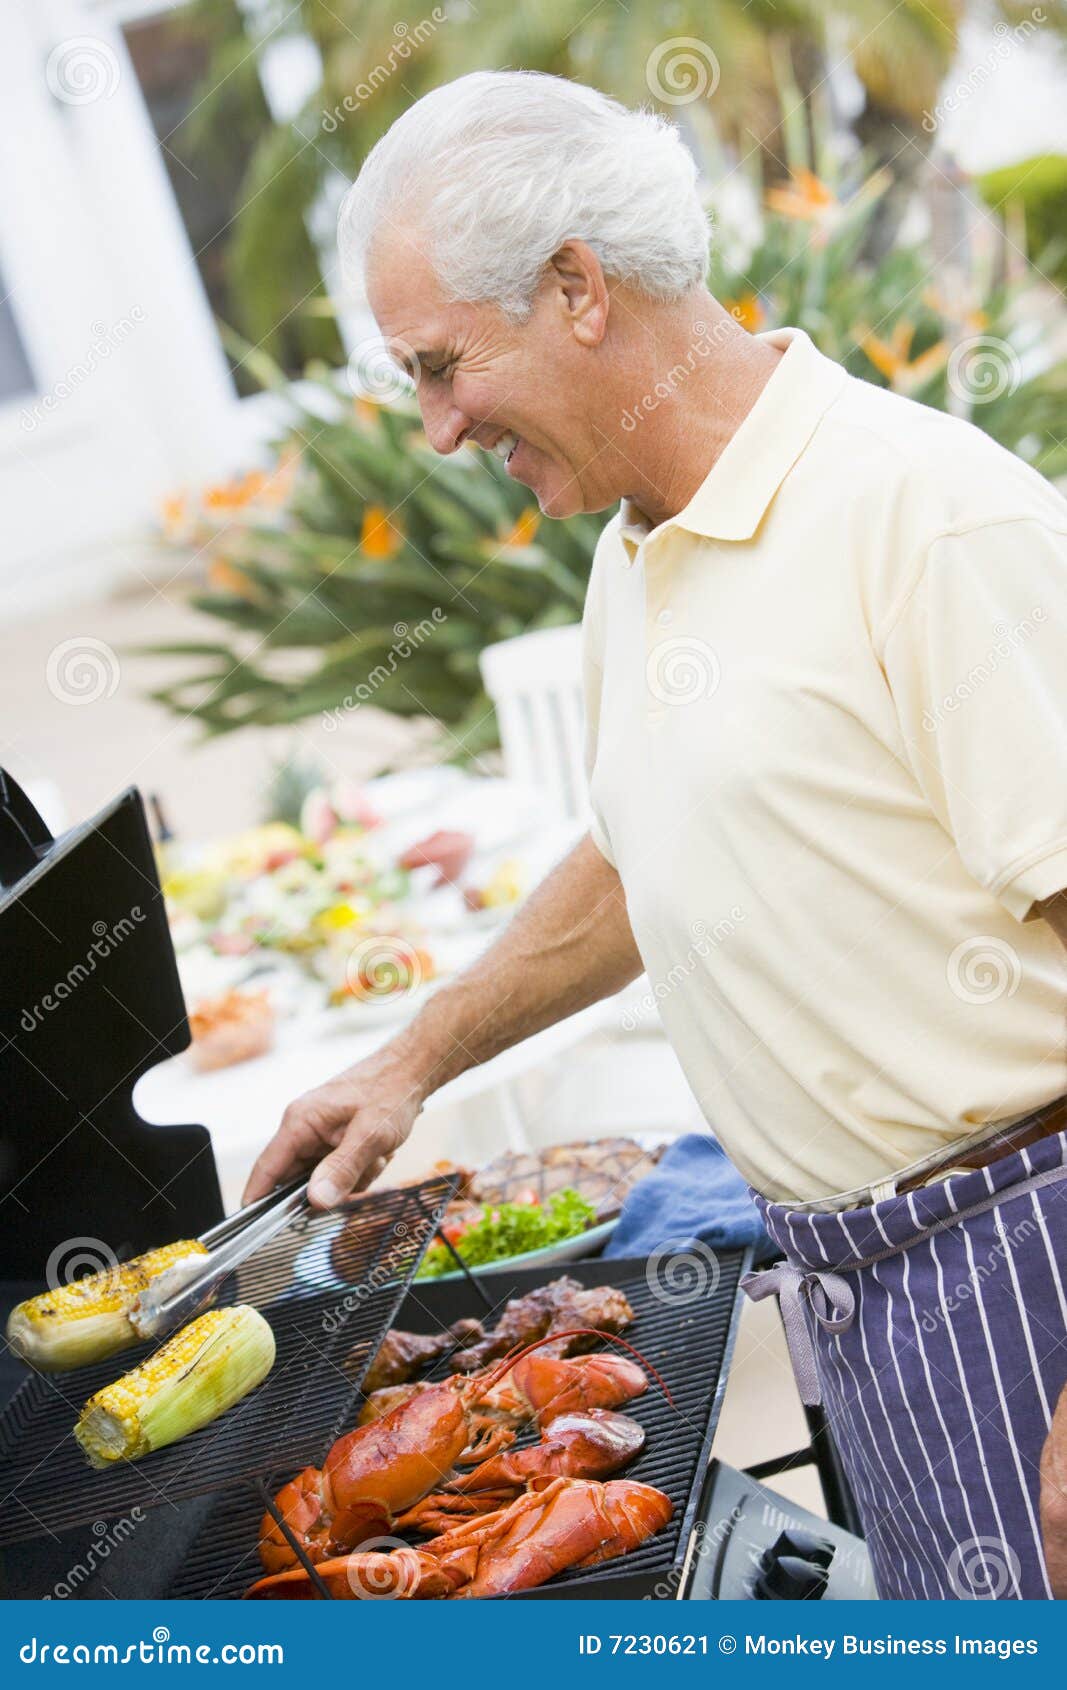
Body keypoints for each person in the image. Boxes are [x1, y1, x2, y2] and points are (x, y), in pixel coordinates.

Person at [245, 71, 1067, 1599]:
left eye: (439, 366)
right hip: (857, 1286)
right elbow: (645, 854)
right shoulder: (639, 540)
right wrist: (410, 1059)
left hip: (1027, 1272)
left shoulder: (927, 518)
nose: (431, 430)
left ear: (577, 288)